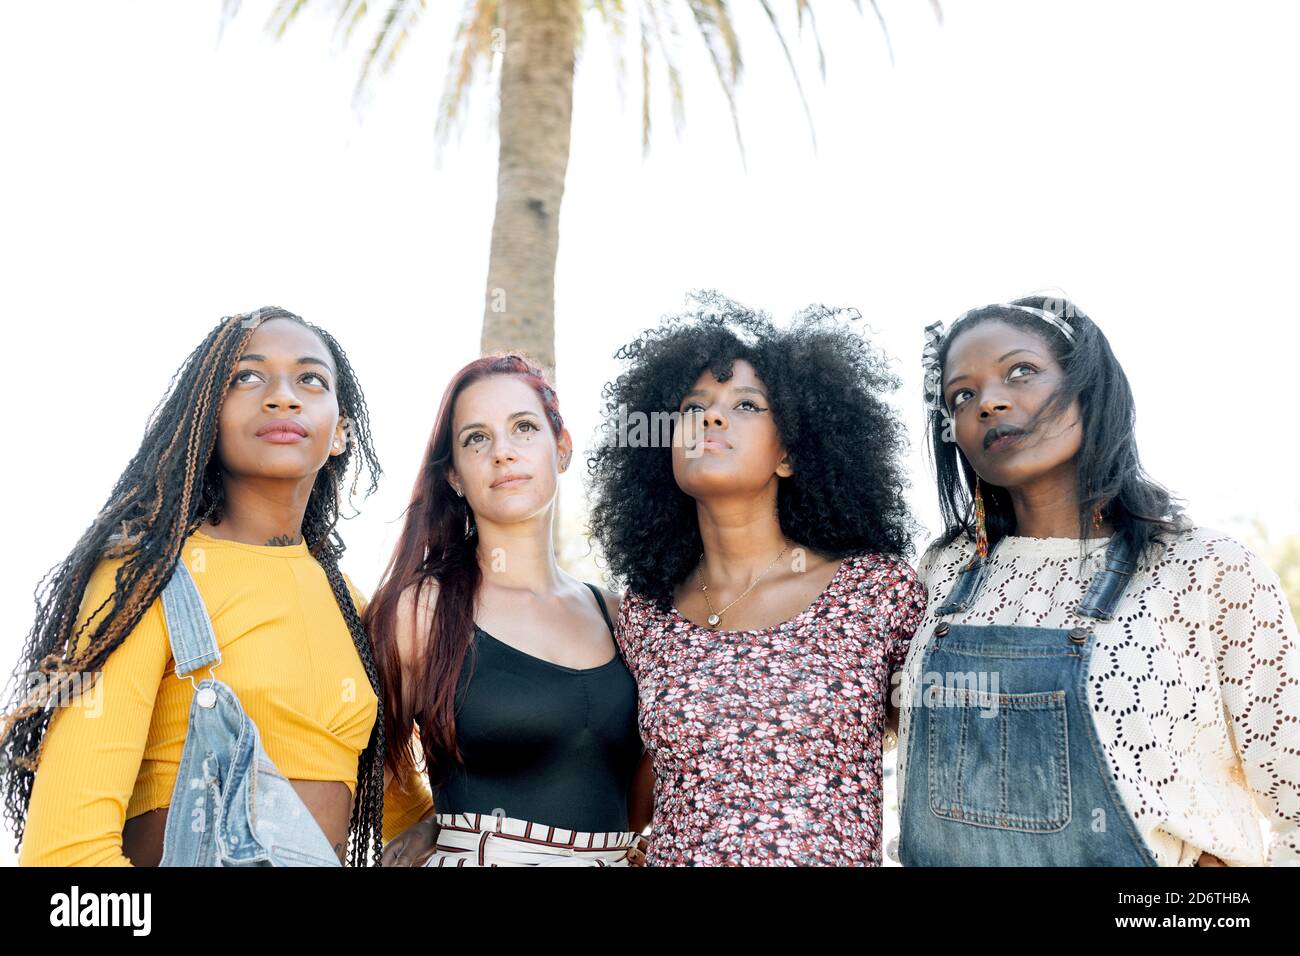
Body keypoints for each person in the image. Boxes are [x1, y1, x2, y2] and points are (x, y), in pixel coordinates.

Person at [2, 307, 433, 866]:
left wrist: (437, 833)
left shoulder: (349, 604)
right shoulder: (146, 577)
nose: (283, 397)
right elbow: (65, 850)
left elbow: (401, 810)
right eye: (247, 377)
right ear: (207, 416)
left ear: (341, 433)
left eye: (311, 380)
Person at [895, 294, 1300, 866]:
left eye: (1021, 371)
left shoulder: (1204, 568)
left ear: (1089, 388)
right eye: (963, 395)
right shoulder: (944, 570)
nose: (989, 402)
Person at [586, 290, 927, 866]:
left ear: (789, 454)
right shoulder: (646, 616)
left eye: (746, 405)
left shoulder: (879, 594)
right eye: (694, 406)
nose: (712, 417)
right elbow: (632, 796)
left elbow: (946, 766)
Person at [369, 354, 650, 867]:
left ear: (560, 448)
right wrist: (431, 824)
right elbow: (371, 767)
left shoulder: (619, 614)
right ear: (454, 474)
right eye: (477, 438)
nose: (503, 452)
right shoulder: (421, 611)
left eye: (523, 428)